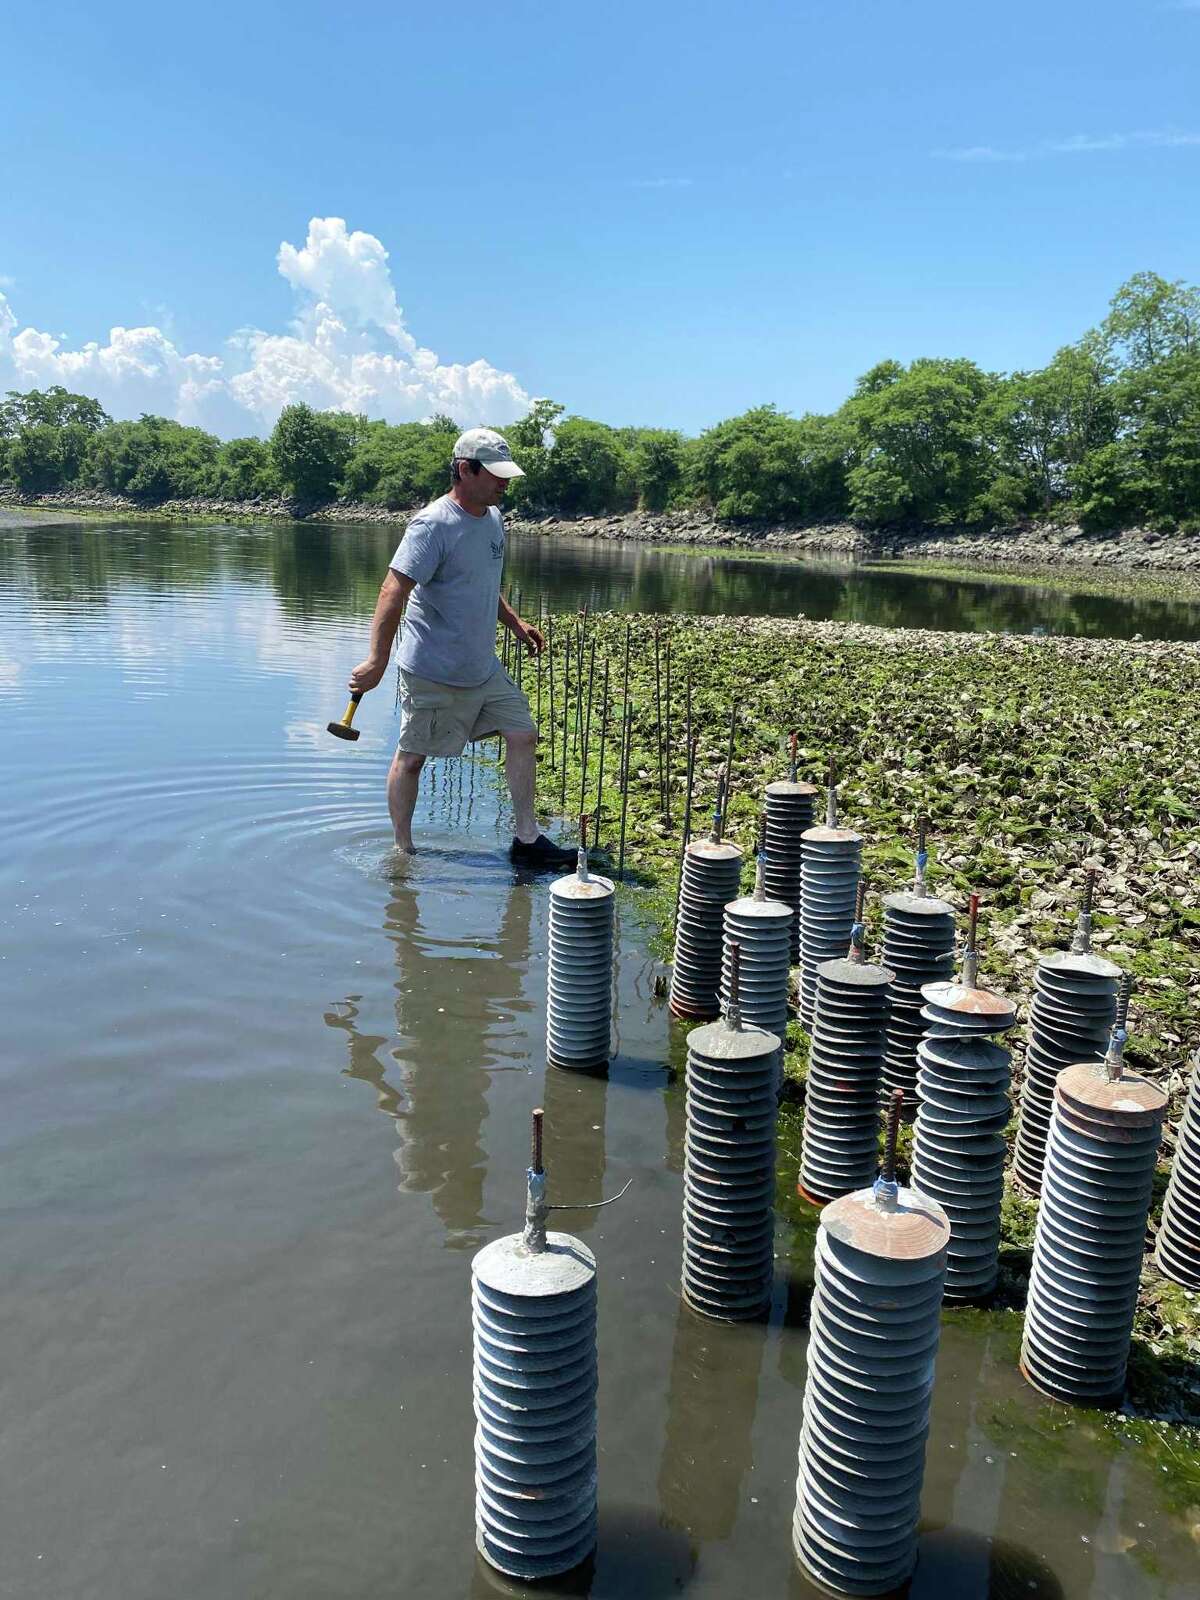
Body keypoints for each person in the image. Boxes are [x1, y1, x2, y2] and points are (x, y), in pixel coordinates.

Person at [348, 427, 574, 867]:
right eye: (495, 475)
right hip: (433, 668)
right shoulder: (432, 525)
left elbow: (484, 582)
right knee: (413, 758)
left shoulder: (493, 519)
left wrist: (513, 622)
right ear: (464, 470)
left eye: (506, 475)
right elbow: (393, 589)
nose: (504, 484)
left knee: (522, 733)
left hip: (481, 666)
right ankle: (403, 851)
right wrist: (377, 660)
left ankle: (526, 841)